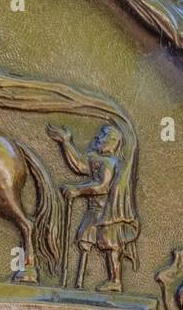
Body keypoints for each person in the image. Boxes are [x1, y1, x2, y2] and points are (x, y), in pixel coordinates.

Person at [48, 123, 140, 291]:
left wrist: (78, 190)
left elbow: (103, 186)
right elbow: (78, 165)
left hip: (107, 214)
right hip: (94, 211)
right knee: (83, 239)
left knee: (110, 245)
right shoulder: (96, 159)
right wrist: (66, 142)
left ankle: (115, 281)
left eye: (102, 135)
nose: (97, 137)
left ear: (112, 142)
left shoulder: (109, 162)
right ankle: (78, 282)